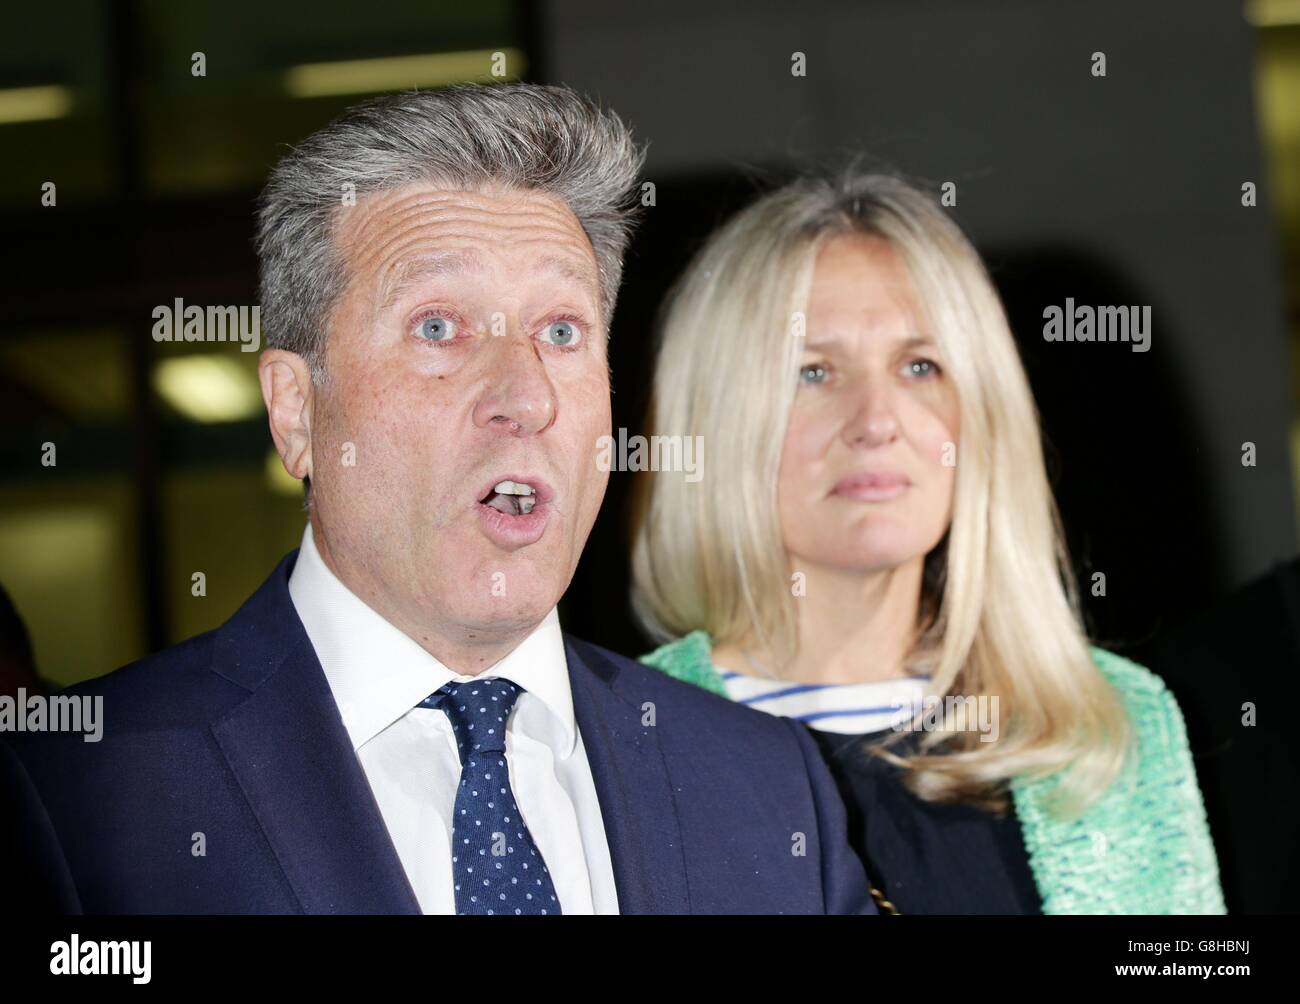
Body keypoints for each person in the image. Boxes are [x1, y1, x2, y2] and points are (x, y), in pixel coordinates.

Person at [0, 85, 874, 916]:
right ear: (296, 411)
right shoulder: (77, 794)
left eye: (561, 331)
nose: (525, 395)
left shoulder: (768, 788)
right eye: (437, 328)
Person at [632, 169, 1225, 914]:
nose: (877, 419)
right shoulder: (619, 749)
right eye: (813, 372)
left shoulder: (1109, 728)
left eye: (920, 366)